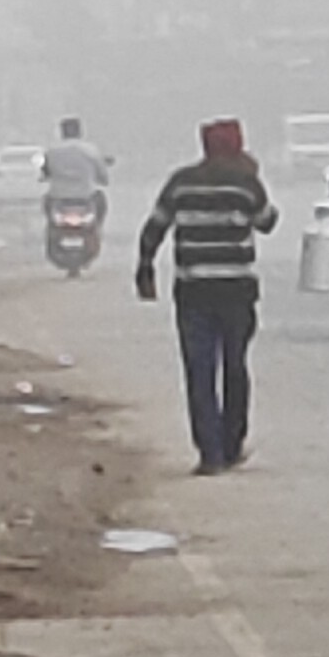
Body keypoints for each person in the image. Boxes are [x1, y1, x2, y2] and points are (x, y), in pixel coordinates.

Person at [133, 120, 281, 475]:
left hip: (193, 292)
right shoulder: (246, 184)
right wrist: (253, 177)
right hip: (237, 293)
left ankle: (210, 455)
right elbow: (267, 222)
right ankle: (232, 446)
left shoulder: (181, 183)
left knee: (199, 371)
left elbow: (155, 227)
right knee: (235, 367)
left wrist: (145, 268)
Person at [41, 116, 107, 226]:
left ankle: (52, 226)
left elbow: (45, 172)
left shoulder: (52, 151)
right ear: (80, 132)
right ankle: (97, 227)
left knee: (46, 202)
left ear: (62, 132)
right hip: (86, 195)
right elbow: (103, 176)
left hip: (58, 196)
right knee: (101, 201)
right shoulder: (90, 150)